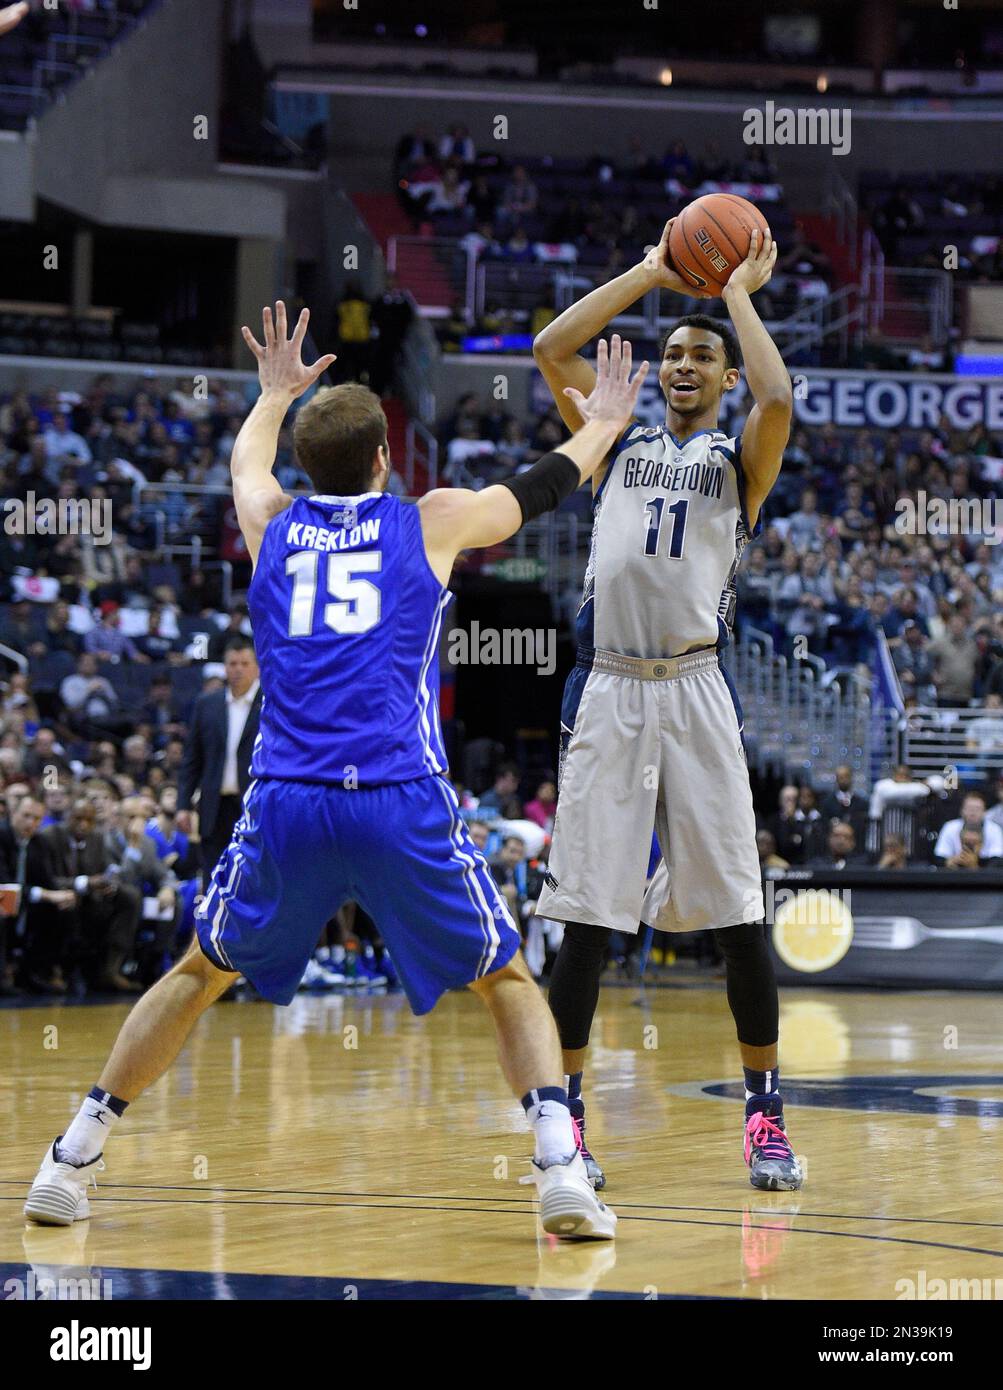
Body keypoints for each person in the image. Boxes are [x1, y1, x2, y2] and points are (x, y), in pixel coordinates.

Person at [24, 302, 648, 1239]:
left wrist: (272, 393)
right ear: (386, 460)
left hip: (287, 800)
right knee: (507, 978)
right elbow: (548, 483)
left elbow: (244, 463)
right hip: (397, 796)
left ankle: (70, 1158)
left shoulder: (270, 523)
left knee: (199, 971)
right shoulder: (430, 521)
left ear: (307, 468)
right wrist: (603, 415)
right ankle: (559, 1165)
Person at [532, 219, 804, 1193]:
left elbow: (776, 393)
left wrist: (733, 292)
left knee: (737, 912)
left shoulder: (741, 460)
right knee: (587, 920)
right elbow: (552, 347)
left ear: (721, 379)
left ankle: (764, 1118)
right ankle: (565, 1123)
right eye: (673, 353)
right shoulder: (610, 441)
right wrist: (651, 271)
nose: (683, 363)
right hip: (609, 689)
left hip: (694, 689)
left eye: (700, 358)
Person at [177, 635, 262, 890]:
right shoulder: (207, 703)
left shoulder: (271, 703)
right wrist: (183, 805)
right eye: (232, 663)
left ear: (257, 667)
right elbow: (192, 759)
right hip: (214, 805)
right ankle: (209, 931)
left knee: (254, 878)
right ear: (225, 667)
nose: (237, 669)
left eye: (244, 663)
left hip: (255, 805)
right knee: (214, 879)